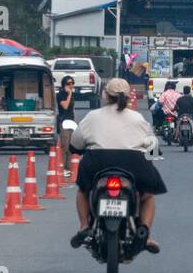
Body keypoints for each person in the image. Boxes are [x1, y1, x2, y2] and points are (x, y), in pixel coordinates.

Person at [69, 78, 165, 254]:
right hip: (133, 162)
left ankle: (83, 226)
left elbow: (75, 144)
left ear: (106, 95)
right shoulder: (137, 118)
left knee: (83, 190)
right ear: (128, 97)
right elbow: (153, 149)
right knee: (148, 195)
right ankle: (146, 233)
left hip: (97, 161)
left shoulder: (93, 116)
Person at [57, 75, 77, 176]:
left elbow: (72, 109)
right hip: (64, 122)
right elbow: (65, 106)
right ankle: (62, 167)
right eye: (69, 83)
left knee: (70, 147)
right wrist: (69, 95)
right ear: (64, 84)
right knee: (64, 146)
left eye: (72, 83)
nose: (71, 85)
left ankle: (68, 168)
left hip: (71, 122)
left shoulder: (72, 95)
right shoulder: (60, 94)